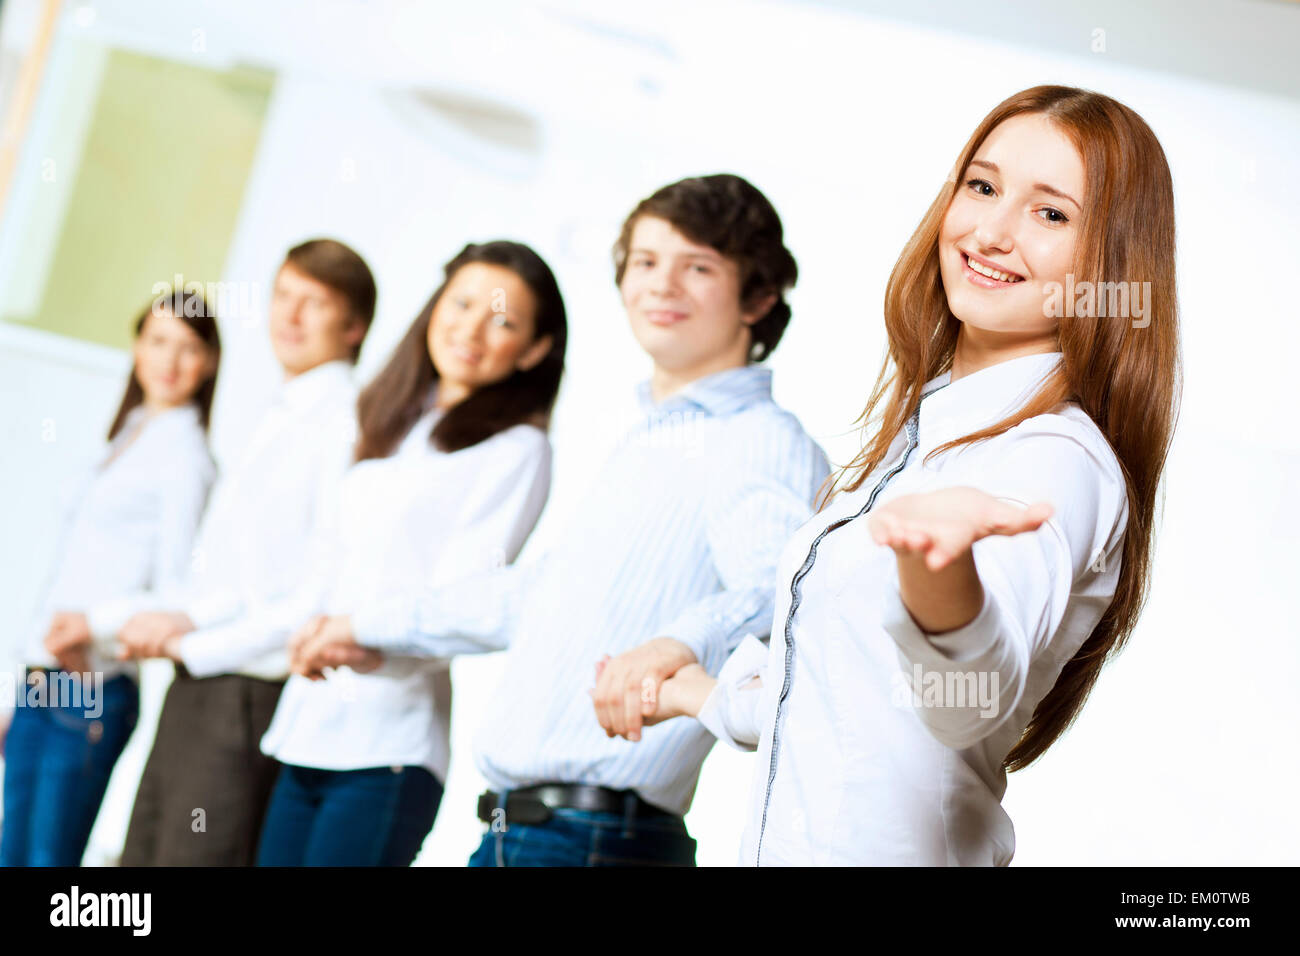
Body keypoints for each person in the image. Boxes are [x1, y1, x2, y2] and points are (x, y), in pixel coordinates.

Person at [631, 85, 1182, 866]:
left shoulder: (1059, 456)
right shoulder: (919, 437)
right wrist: (696, 690)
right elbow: (842, 703)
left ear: (1112, 264)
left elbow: (970, 699)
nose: (990, 231)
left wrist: (943, 580)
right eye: (982, 187)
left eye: (1050, 213)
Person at [294, 174, 829, 867]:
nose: (661, 285)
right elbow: (532, 596)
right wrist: (362, 626)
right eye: (644, 262)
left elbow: (781, 594)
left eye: (697, 267)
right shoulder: (653, 439)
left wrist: (679, 641)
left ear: (757, 298)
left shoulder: (755, 436)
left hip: (588, 841)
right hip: (538, 834)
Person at [229, 240, 562, 866]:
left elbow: (466, 603)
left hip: (387, 750)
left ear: (536, 349)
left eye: (504, 321)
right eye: (460, 303)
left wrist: (358, 634)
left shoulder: (518, 449)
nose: (471, 329)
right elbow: (327, 560)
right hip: (306, 728)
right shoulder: (388, 419)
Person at [111, 239, 376, 866]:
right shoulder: (279, 414)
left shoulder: (343, 423)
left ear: (353, 326)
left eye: (315, 303)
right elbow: (238, 571)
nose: (291, 315)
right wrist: (185, 624)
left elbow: (313, 595)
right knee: (138, 866)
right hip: (199, 681)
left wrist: (191, 642)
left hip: (243, 694)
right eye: (284, 295)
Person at [0, 289, 220, 866]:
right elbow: (72, 566)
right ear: (137, 346)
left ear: (210, 362)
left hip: (92, 684)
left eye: (189, 347)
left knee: (47, 865)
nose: (170, 361)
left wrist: (92, 627)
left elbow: (180, 593)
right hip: (42, 677)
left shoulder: (187, 459)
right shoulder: (128, 434)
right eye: (158, 341)